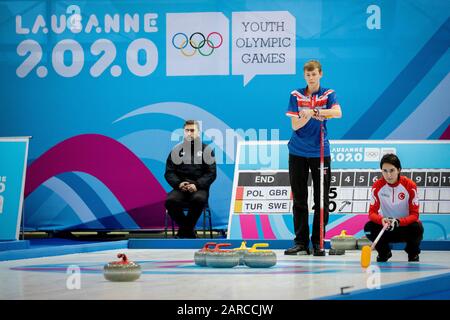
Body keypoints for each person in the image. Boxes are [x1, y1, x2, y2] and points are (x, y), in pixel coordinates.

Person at [284, 60, 342, 255]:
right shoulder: (296, 95)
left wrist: (315, 111)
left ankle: (318, 242)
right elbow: (295, 125)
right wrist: (308, 115)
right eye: (308, 75)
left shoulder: (328, 94)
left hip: (320, 152)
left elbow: (337, 113)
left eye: (314, 74)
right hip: (297, 152)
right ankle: (300, 242)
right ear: (304, 76)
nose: (311, 78)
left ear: (320, 74)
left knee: (322, 200)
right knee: (299, 199)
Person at [364, 153, 423, 262]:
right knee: (369, 228)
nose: (388, 175)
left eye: (392, 170)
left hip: (405, 227)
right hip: (386, 228)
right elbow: (371, 213)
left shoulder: (410, 185)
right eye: (384, 171)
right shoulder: (377, 186)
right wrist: (381, 220)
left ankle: (413, 253)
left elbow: (415, 214)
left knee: (417, 227)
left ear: (399, 170)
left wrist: (399, 221)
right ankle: (384, 253)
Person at [164, 120, 216, 238]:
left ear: (198, 132)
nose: (189, 133)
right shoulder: (176, 150)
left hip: (199, 188)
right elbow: (169, 172)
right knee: (170, 201)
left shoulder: (206, 150)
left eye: (192, 130)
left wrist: (197, 184)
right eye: (187, 131)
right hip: (180, 187)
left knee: (198, 199)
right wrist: (179, 184)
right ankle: (188, 231)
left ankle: (183, 232)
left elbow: (211, 173)